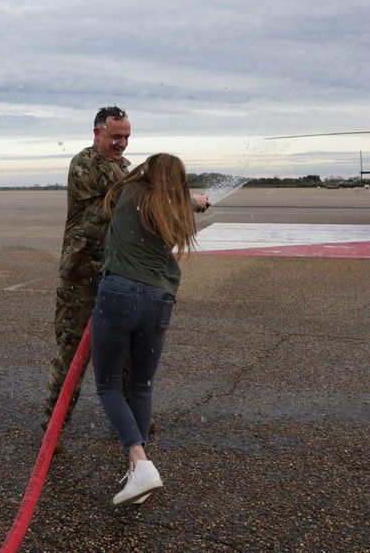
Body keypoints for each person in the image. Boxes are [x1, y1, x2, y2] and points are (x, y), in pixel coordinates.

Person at [90, 153, 210, 506]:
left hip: (119, 293)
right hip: (160, 298)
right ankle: (137, 473)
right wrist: (197, 200)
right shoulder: (176, 209)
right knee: (141, 386)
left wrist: (148, 171)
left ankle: (140, 463)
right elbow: (183, 200)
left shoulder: (130, 193)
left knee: (109, 385)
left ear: (148, 173)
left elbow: (129, 181)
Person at [42, 106, 132, 439]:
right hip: (80, 278)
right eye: (116, 136)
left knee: (126, 354)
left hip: (114, 274)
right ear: (97, 133)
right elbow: (133, 195)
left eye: (126, 136)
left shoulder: (122, 167)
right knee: (71, 356)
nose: (122, 143)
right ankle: (53, 428)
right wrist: (185, 201)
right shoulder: (87, 163)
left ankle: (131, 420)